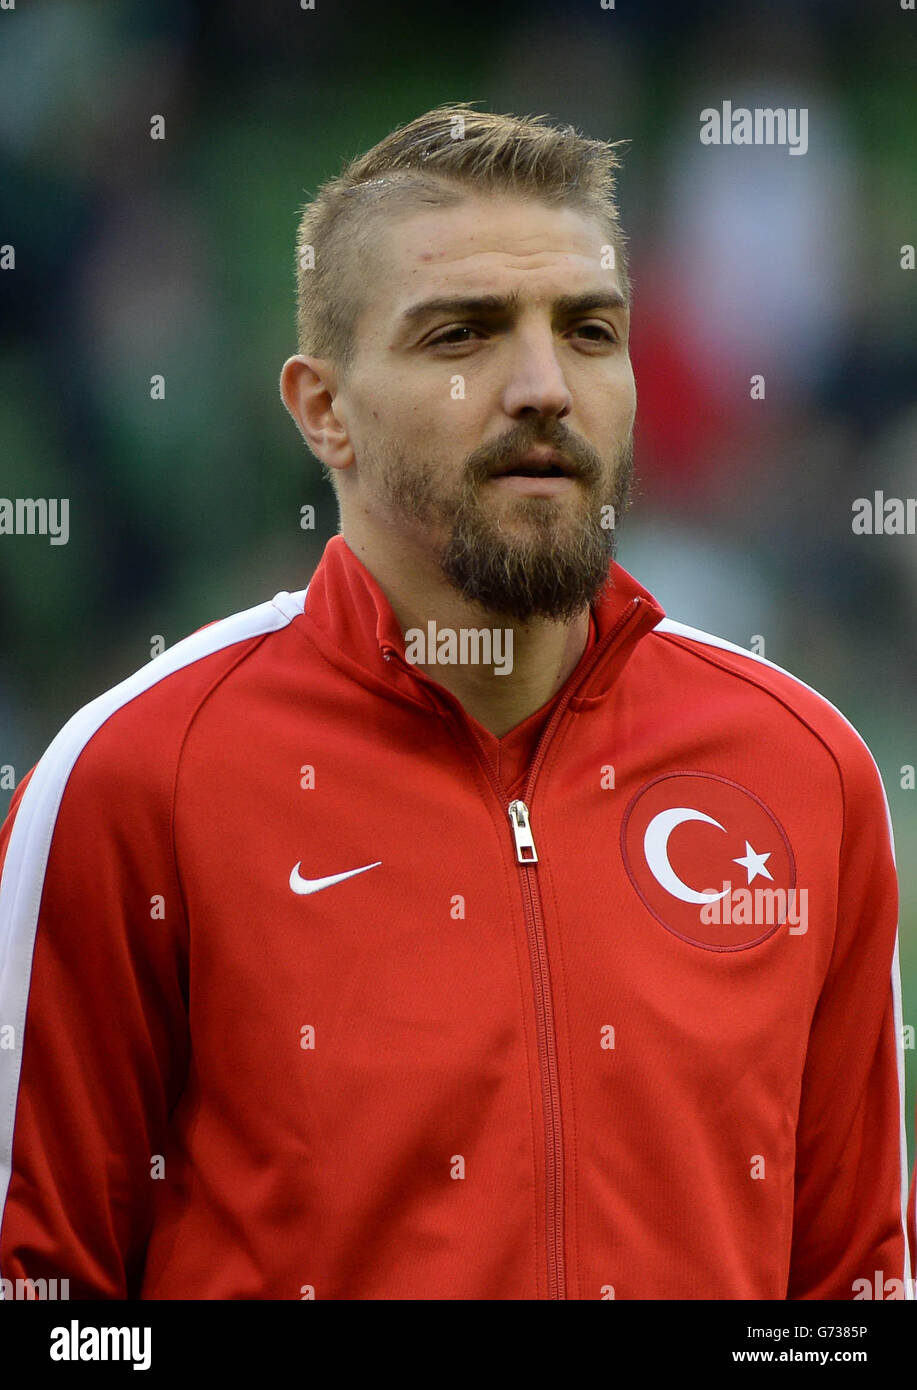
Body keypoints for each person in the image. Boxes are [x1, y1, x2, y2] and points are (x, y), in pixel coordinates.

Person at [0, 104, 911, 1300]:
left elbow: (851, 1288)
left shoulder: (803, 769)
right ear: (322, 411)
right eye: (461, 336)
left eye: (588, 331)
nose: (542, 387)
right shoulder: (131, 776)